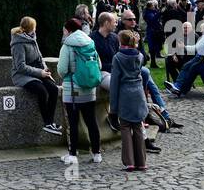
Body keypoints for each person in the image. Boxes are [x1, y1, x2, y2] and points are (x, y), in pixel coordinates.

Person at [58, 18, 102, 165]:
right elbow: (98, 64)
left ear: (68, 30)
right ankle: (97, 153)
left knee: (73, 122)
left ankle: (72, 155)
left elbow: (62, 69)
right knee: (91, 122)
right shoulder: (90, 43)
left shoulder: (67, 46)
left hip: (73, 91)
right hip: (90, 91)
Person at [10, 17, 62, 136]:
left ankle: (50, 122)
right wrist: (40, 73)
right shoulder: (18, 43)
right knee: (42, 91)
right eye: (34, 27)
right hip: (22, 75)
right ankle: (47, 123)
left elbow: (40, 57)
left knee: (54, 89)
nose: (35, 29)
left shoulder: (32, 39)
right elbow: (20, 67)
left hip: (37, 71)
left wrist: (45, 70)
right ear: (30, 28)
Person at [108, 29, 148, 172]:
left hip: (125, 94)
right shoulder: (140, 55)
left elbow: (114, 83)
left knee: (125, 127)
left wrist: (113, 106)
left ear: (121, 41)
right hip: (138, 93)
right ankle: (141, 162)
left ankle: (129, 162)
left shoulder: (118, 57)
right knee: (138, 126)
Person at [164, 18, 204, 99]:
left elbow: (196, 48)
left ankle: (179, 87)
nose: (201, 32)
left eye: (201, 30)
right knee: (193, 68)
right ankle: (180, 90)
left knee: (195, 68)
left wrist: (184, 47)